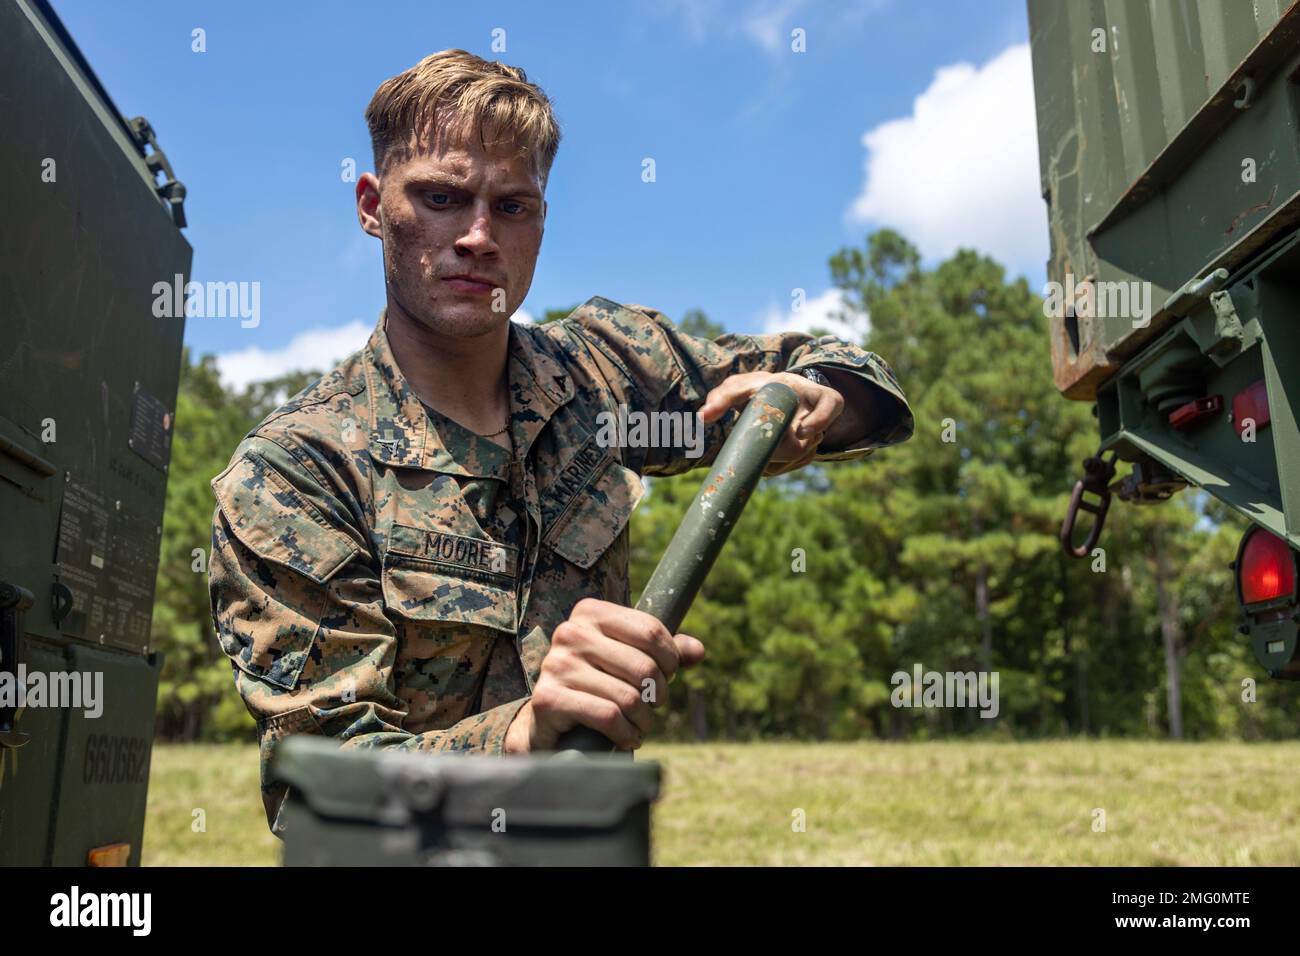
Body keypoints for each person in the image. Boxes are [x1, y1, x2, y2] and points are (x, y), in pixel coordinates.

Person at [207, 49, 914, 830]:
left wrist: (813, 400)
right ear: (373, 205)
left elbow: (839, 373)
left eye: (513, 207)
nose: (478, 236)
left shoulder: (604, 375)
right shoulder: (296, 474)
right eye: (443, 198)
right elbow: (325, 789)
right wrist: (523, 736)